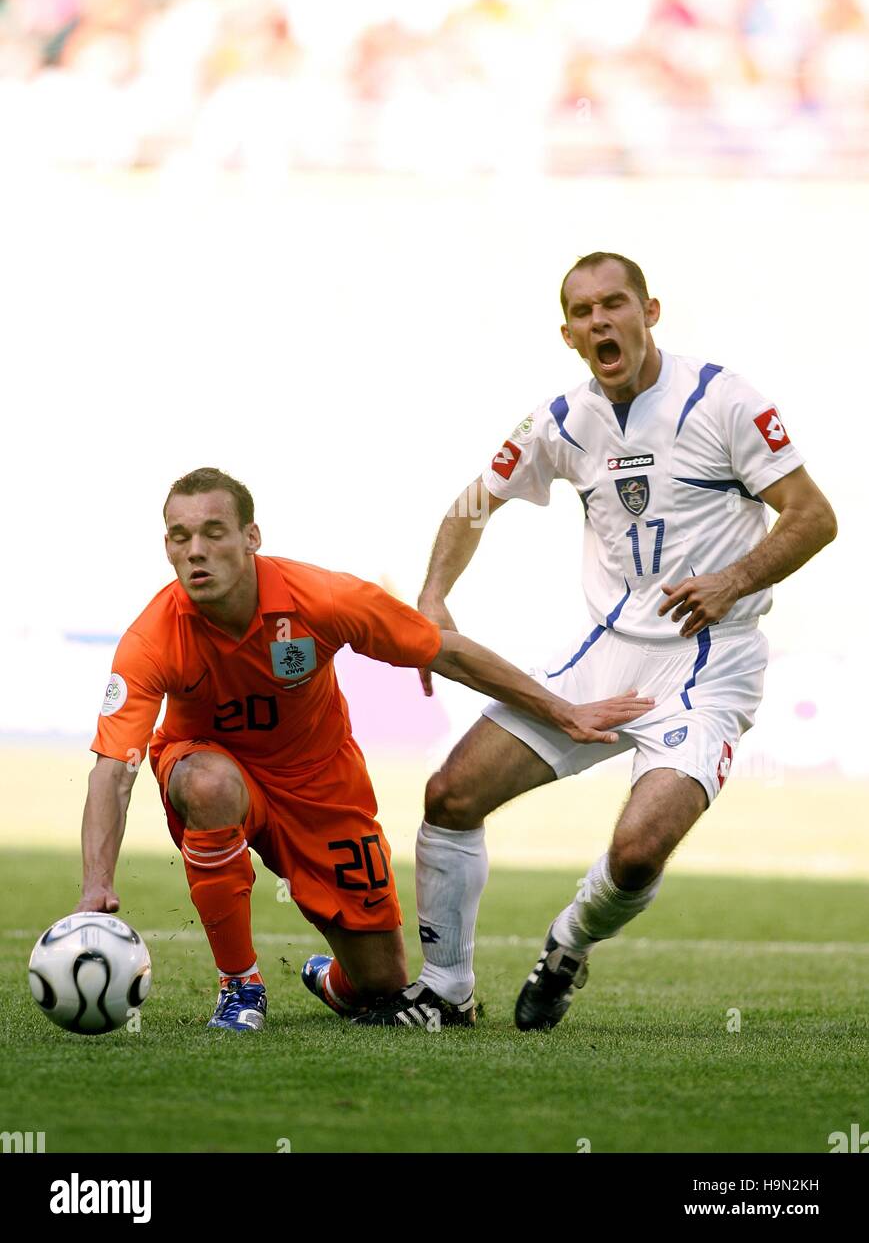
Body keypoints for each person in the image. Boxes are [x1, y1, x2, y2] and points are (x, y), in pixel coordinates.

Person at [353, 251, 837, 1031]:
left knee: (639, 850)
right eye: (582, 313)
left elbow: (814, 515)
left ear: (649, 312)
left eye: (613, 304)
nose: (599, 321)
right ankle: (444, 992)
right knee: (450, 795)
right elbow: (474, 503)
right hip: (606, 654)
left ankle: (567, 946)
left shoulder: (723, 400)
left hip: (710, 663)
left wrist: (729, 581)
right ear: (568, 334)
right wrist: (434, 596)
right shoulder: (562, 419)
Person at [79, 465, 653, 1032]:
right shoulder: (152, 637)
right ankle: (240, 985)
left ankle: (330, 978)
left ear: (251, 537)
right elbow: (113, 771)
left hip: (320, 787)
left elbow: (444, 651)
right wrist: (97, 884)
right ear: (167, 547)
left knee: (381, 986)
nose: (195, 551)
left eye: (213, 532)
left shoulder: (319, 599)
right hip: (210, 766)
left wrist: (563, 710)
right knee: (210, 783)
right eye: (180, 538)